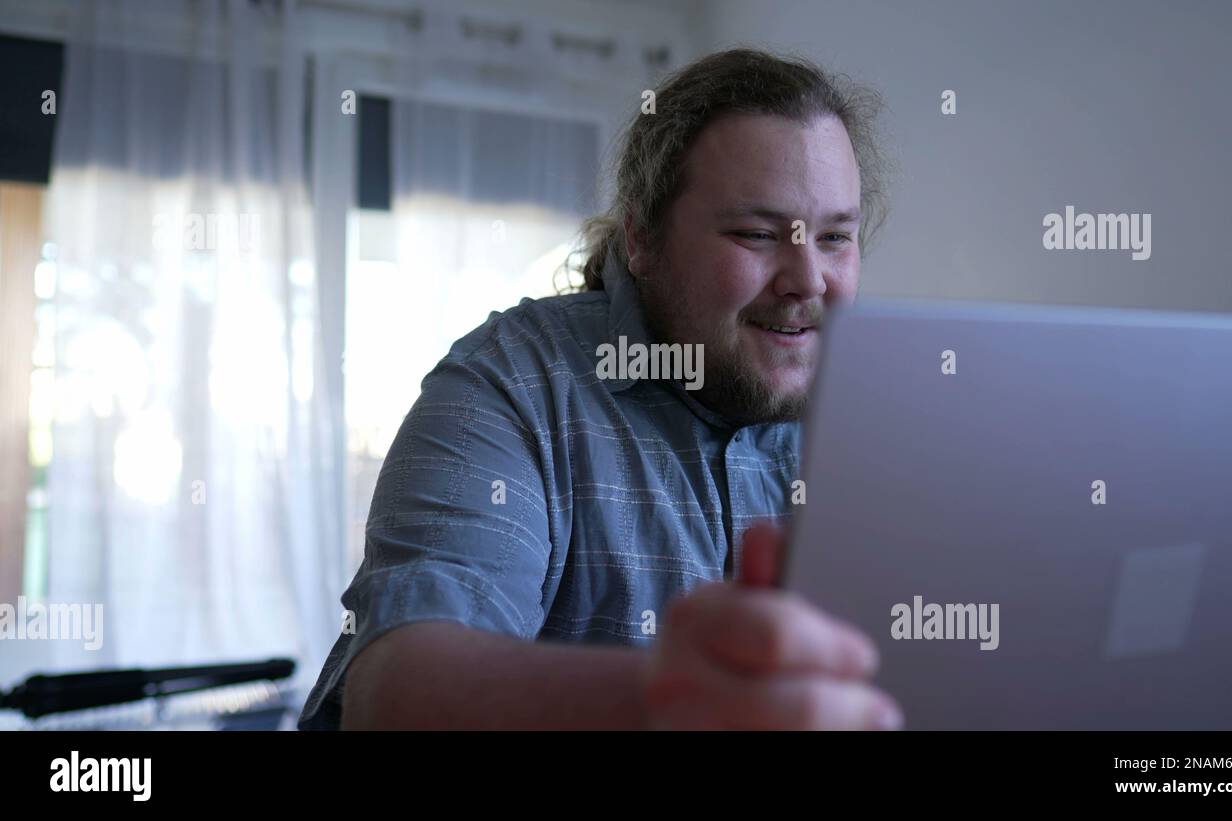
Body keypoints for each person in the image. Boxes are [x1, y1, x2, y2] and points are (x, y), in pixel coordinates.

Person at [299, 48, 900, 730]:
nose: (809, 279)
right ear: (642, 239)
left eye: (834, 237)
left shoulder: (887, 419)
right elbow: (399, 692)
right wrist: (670, 699)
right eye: (758, 234)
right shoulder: (511, 387)